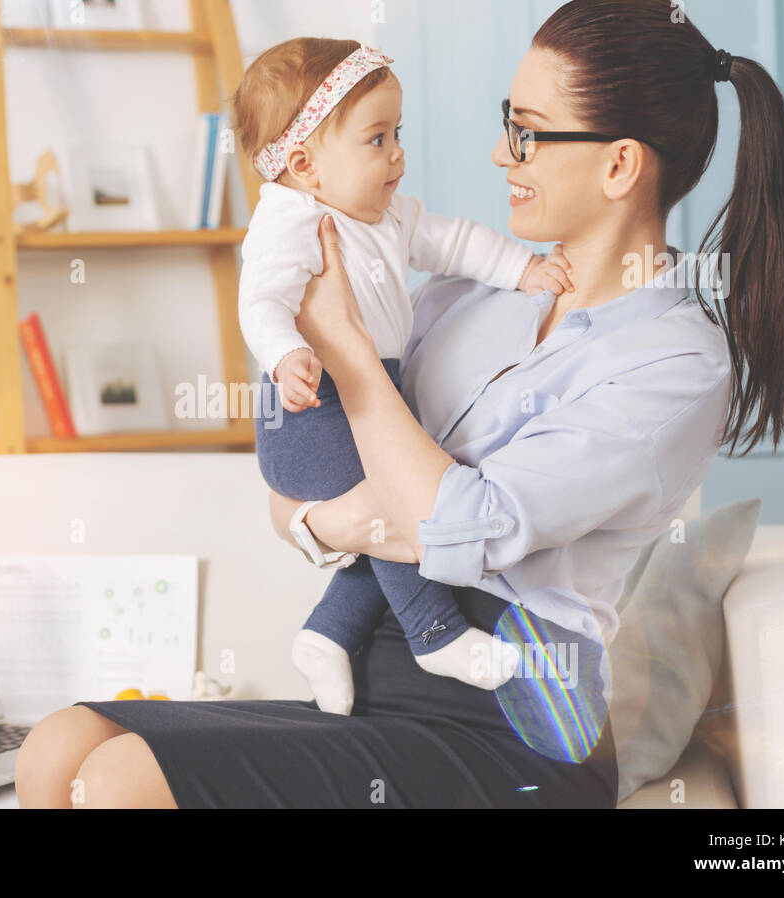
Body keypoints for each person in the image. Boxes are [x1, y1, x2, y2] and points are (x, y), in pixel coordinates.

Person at [14, 0, 784, 809]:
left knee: (122, 782)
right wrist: (329, 521)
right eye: (510, 122)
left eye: (529, 131)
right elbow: (309, 489)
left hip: (510, 725)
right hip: (373, 673)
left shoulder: (676, 361)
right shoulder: (468, 295)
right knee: (58, 745)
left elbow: (469, 524)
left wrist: (348, 351)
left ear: (618, 167)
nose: (502, 152)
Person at [233, 37, 574, 712]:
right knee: (398, 506)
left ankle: (328, 634)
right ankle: (436, 631)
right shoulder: (291, 217)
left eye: (398, 133)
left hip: (363, 390)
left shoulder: (385, 215)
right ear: (304, 164)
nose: (398, 155)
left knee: (383, 519)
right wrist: (284, 355)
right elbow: (260, 300)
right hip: (310, 403)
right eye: (376, 139)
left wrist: (524, 270)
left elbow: (456, 241)